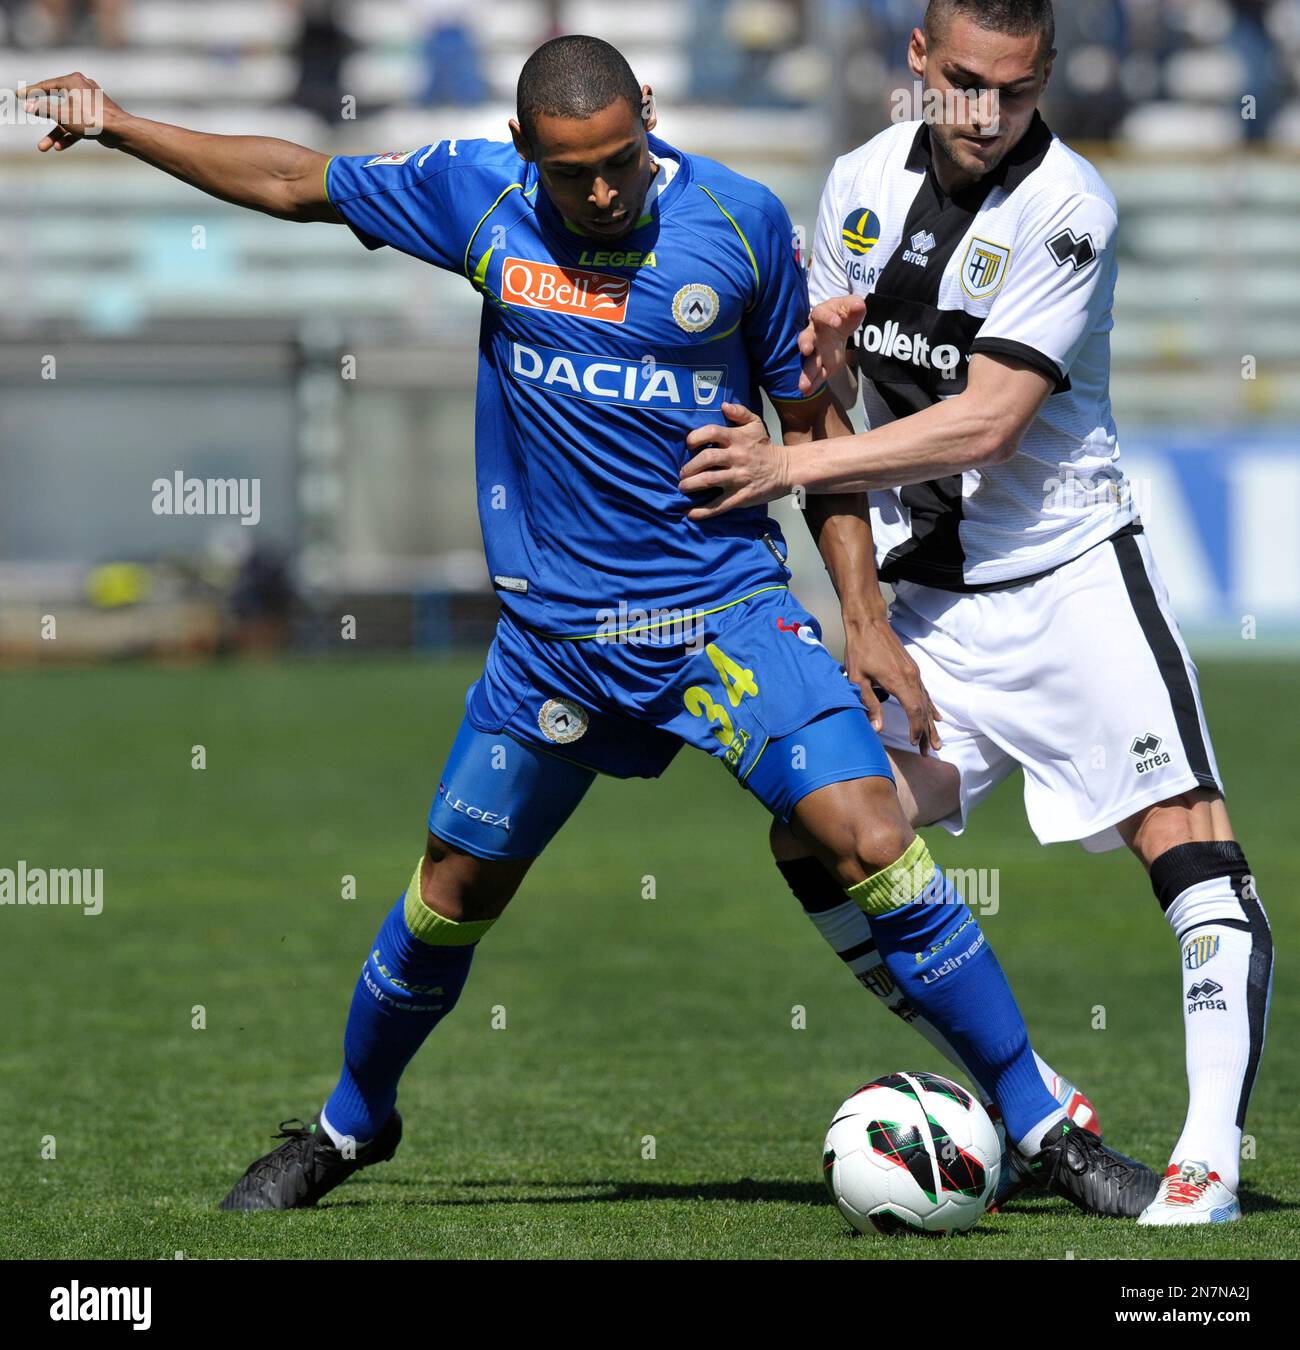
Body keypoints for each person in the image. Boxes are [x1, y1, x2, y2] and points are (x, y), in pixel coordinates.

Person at [24, 33, 1155, 1217]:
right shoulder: (478, 197)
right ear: (527, 153)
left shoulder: (739, 221)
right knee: (449, 894)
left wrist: (860, 617)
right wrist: (116, 122)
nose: (604, 190)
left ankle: (1041, 1122)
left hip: (726, 619)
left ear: (651, 118)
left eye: (621, 160)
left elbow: (812, 429)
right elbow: (293, 180)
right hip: (554, 641)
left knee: (869, 829)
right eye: (575, 174)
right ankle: (350, 1124)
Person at [677, 0, 1272, 1226]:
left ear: (1043, 73)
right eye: (961, 83)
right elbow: (816, 406)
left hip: (1068, 590)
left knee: (1194, 855)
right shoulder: (853, 184)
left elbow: (991, 421)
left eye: (1012, 87)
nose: (985, 113)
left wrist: (787, 469)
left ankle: (1207, 1159)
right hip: (924, 613)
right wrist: (859, 597)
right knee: (825, 836)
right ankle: (1031, 1100)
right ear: (916, 60)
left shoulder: (1068, 204)